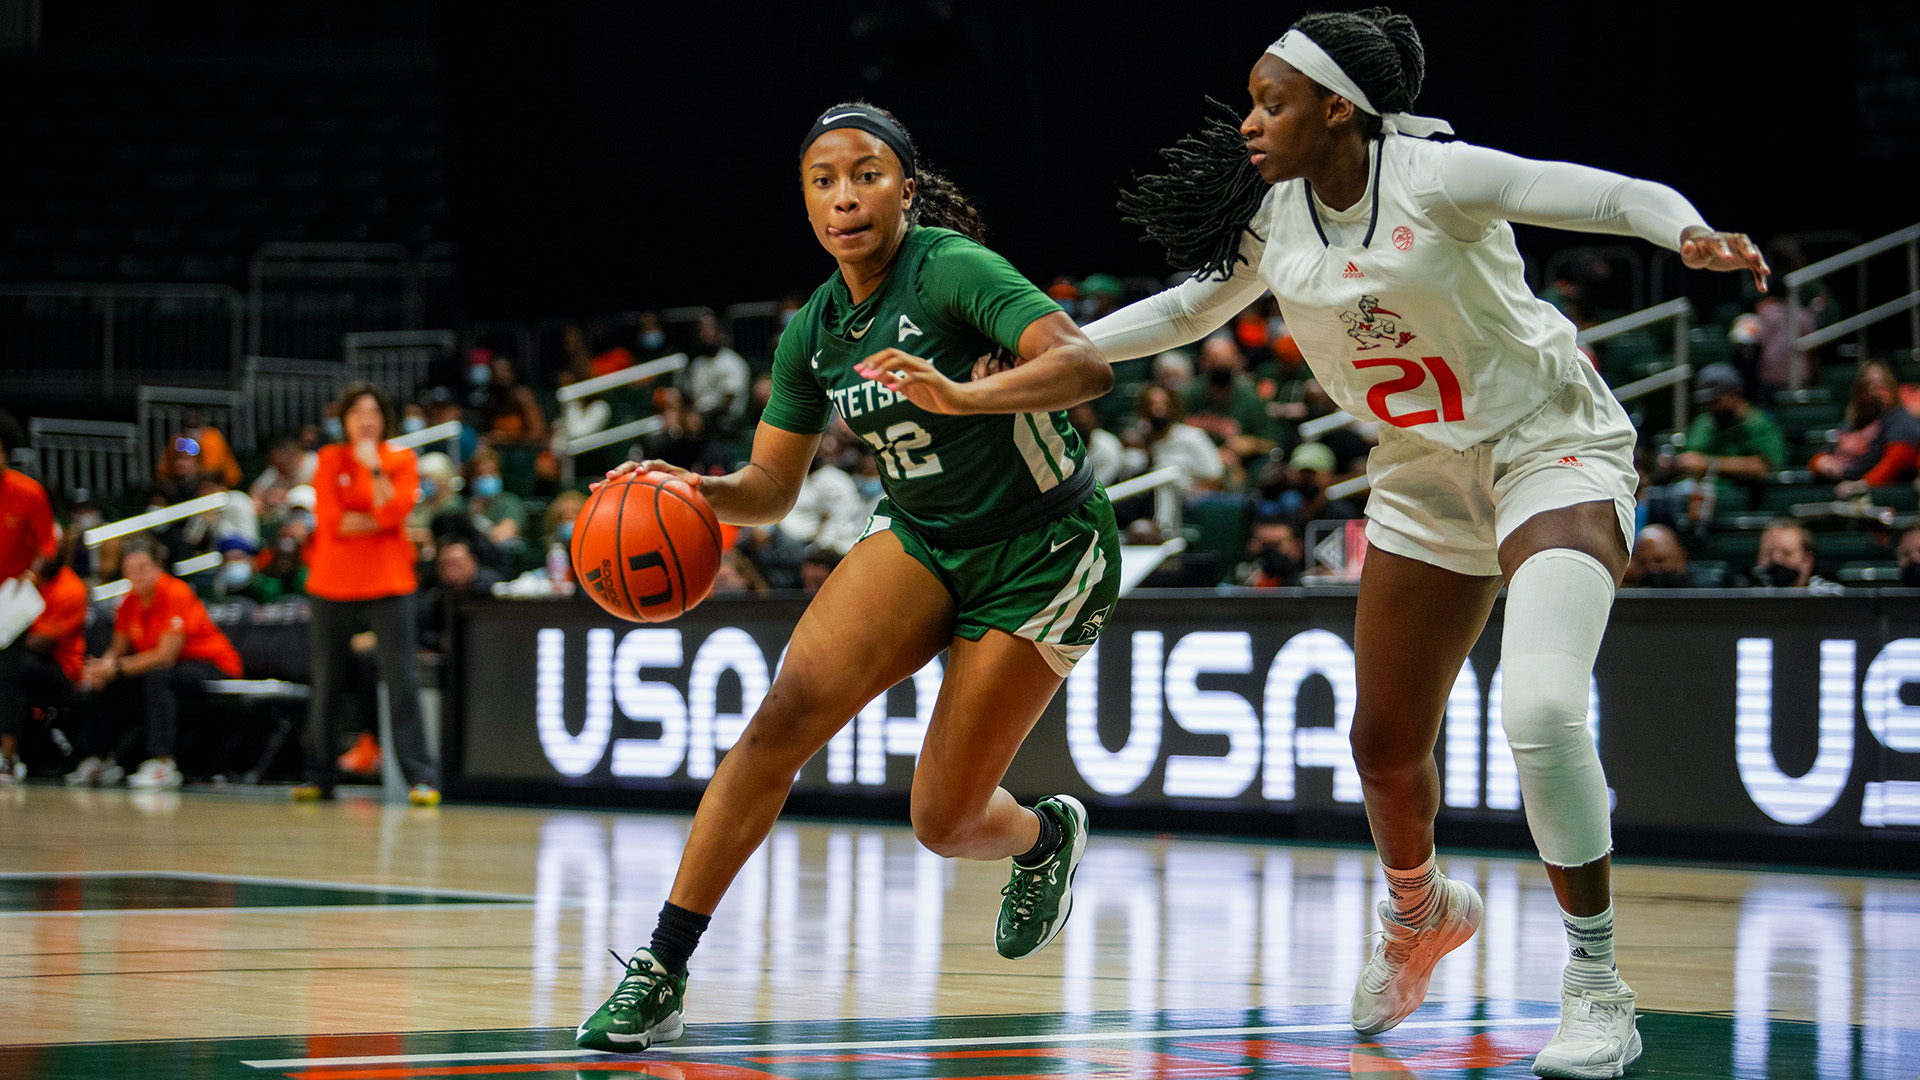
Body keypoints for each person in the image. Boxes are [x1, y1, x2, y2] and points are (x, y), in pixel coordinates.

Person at [1082, 10, 1769, 1074]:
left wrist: (1683, 230)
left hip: (1550, 447)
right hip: (1421, 476)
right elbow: (1181, 314)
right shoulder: (1276, 220)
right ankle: (1420, 913)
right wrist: (1051, 356)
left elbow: (1600, 194)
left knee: (1538, 708)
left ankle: (1596, 984)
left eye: (1272, 102)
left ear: (1337, 109)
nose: (1250, 124)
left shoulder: (1435, 176)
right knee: (1382, 745)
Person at [574, 101, 1119, 1055]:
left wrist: (964, 394)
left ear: (905, 188)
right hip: (921, 534)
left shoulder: (950, 267)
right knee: (779, 722)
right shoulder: (812, 332)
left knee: (944, 821)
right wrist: (686, 488)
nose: (844, 196)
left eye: (865, 173)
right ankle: (661, 968)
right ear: (807, 203)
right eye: (822, 181)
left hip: (1043, 546)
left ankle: (1042, 838)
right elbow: (771, 490)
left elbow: (1083, 367)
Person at [296, 382, 441, 805]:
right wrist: (378, 520)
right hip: (331, 581)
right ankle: (318, 776)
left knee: (402, 679)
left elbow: (394, 511)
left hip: (389, 581)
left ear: (384, 419)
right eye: (357, 411)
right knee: (326, 681)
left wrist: (374, 469)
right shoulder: (328, 459)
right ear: (344, 419)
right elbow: (331, 521)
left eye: (373, 411)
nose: (365, 419)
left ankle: (421, 777)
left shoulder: (400, 459)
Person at [67, 535, 243, 789]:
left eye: (143, 569)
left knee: (159, 675)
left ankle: (162, 763)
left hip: (212, 664)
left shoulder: (176, 593)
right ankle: (100, 758)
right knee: (106, 682)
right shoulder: (130, 601)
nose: (136, 576)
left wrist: (115, 668)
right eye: (130, 570)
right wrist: (102, 668)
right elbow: (117, 650)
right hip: (170, 667)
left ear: (158, 566)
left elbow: (165, 655)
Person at [0, 410, 58, 782]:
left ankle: (8, 756)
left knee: (6, 678)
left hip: (10, 600)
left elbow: (50, 544)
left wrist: (32, 575)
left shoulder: (28, 492)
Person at [1809, 360, 1920, 496]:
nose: (1874, 393)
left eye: (1880, 386)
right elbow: (1823, 455)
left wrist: (1862, 486)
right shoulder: (1854, 420)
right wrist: (1820, 462)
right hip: (1837, 488)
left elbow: (1896, 462)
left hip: (1873, 496)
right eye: (1868, 386)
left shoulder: (1900, 420)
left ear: (1891, 388)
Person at [1677, 362, 1788, 486]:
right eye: (1706, 402)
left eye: (1715, 400)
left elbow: (1762, 466)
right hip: (1696, 491)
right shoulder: (1703, 421)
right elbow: (1689, 454)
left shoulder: (1758, 424)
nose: (1710, 407)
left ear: (1735, 393)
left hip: (1739, 495)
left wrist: (1707, 464)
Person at [1751, 518, 1842, 593]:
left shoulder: (1832, 599)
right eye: (1768, 553)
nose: (1776, 559)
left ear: (1807, 560)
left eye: (1787, 553)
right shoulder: (1749, 600)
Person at [1621, 524, 1700, 588]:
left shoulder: (1705, 596)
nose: (1652, 569)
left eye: (1660, 560)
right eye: (1642, 563)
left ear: (1681, 558)